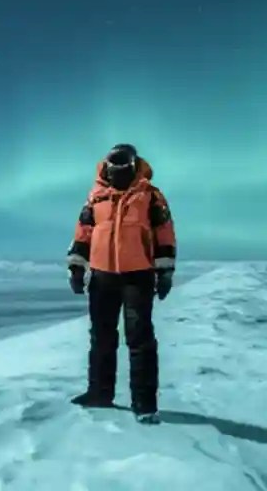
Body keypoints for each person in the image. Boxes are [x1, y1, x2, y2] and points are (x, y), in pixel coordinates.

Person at [65, 143, 177, 424]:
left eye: (123, 160)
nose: (117, 165)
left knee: (139, 338)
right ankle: (99, 394)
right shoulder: (96, 198)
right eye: (113, 160)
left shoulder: (150, 196)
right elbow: (83, 233)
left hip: (138, 276)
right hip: (103, 276)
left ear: (132, 163)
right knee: (101, 337)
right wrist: (77, 268)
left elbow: (164, 234)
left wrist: (165, 272)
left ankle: (145, 405)